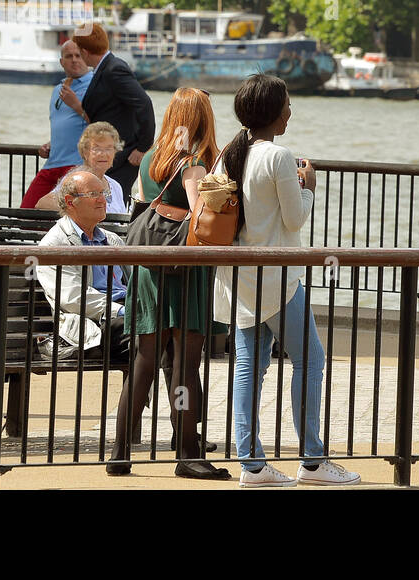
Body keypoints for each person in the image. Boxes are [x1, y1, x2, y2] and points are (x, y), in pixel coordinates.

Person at [214, 73, 360, 487]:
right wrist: (309, 187)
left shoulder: (229, 154)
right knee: (310, 361)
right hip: (278, 276)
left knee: (249, 368)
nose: (291, 112)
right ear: (274, 113)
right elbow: (294, 219)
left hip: (240, 275)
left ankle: (252, 465)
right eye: (287, 106)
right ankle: (312, 460)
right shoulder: (278, 156)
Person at [107, 87, 227, 480]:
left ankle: (120, 452)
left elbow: (142, 203)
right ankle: (188, 453)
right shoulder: (194, 161)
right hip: (184, 267)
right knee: (185, 363)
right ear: (201, 118)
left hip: (148, 265)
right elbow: (199, 215)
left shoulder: (152, 159)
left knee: (144, 359)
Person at [34, 169, 130, 360]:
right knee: (145, 334)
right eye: (94, 194)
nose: (103, 200)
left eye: (104, 193)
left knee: (174, 330)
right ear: (70, 202)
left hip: (125, 311)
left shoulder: (112, 240)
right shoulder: (54, 245)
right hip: (94, 321)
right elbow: (73, 298)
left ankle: (144, 391)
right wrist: (123, 310)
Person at [74, 23, 155, 197]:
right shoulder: (106, 69)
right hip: (108, 156)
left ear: (85, 51)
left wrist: (142, 147)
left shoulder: (113, 69)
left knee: (110, 206)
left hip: (120, 158)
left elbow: (144, 103)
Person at [22, 40, 93, 208]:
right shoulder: (57, 89)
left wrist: (77, 105)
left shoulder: (96, 85)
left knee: (69, 219)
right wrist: (51, 144)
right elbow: (64, 126)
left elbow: (103, 127)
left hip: (78, 165)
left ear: (86, 57)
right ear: (62, 62)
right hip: (53, 163)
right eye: (69, 56)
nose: (74, 60)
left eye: (78, 55)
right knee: (26, 212)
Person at [33, 122, 128, 214]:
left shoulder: (115, 186)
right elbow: (43, 204)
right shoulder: (77, 179)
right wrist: (82, 212)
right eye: (96, 148)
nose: (103, 154)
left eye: (108, 148)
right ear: (85, 152)